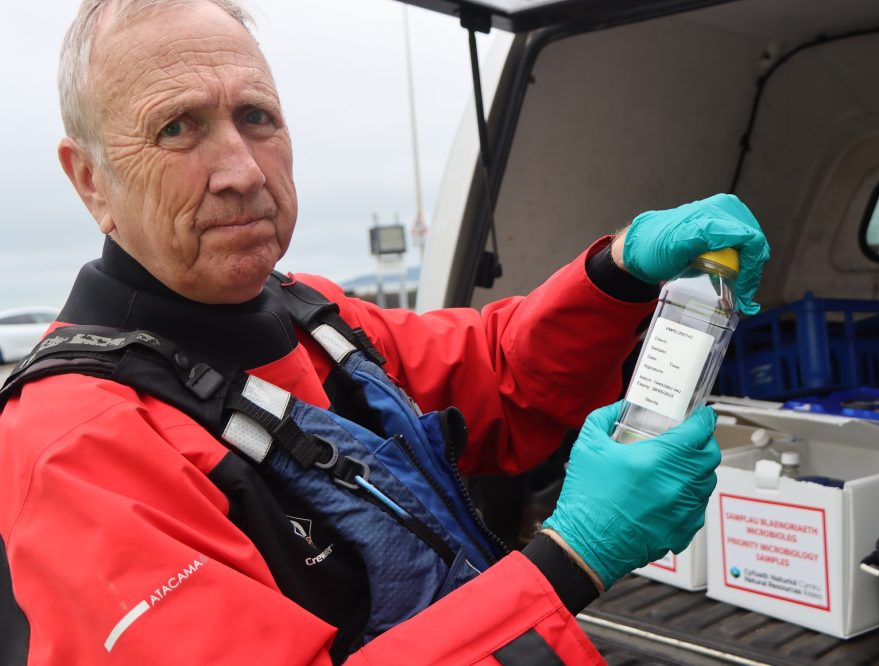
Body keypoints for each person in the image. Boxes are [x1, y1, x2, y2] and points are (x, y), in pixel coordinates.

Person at [0, 1, 770, 664]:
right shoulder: (75, 446)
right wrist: (572, 558)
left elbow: (500, 376)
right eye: (177, 128)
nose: (240, 168)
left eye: (255, 117)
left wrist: (617, 272)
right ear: (91, 181)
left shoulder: (309, 318)